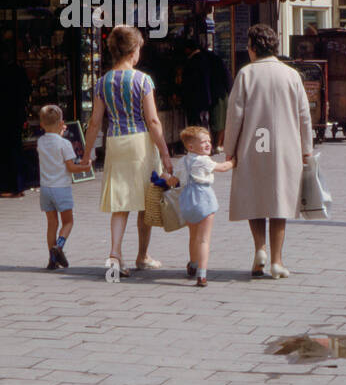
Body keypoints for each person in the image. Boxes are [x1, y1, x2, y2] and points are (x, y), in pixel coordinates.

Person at [79, 25, 174, 277]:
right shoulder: (143, 80)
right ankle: (142, 255)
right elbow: (153, 121)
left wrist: (87, 153)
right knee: (145, 199)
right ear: (133, 50)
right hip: (141, 142)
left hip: (116, 142)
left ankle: (115, 253)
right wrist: (164, 152)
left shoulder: (102, 82)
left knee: (120, 202)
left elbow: (95, 122)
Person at [223, 24, 314, 279]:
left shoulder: (246, 74)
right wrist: (307, 149)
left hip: (253, 144)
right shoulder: (291, 75)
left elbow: (235, 115)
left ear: (252, 48)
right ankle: (277, 261)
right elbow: (304, 115)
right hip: (285, 147)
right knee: (279, 202)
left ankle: (259, 249)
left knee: (255, 198)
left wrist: (229, 149)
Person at [165, 125, 234, 287]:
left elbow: (173, 181)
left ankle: (193, 263)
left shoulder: (182, 161)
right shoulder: (204, 160)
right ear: (191, 146)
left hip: (187, 201)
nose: (208, 144)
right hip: (204, 199)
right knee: (204, 239)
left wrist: (165, 176)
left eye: (209, 141)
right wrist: (233, 161)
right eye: (204, 142)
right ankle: (201, 274)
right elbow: (223, 168)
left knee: (193, 235)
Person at [36, 104, 89, 270]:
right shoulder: (65, 144)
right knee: (68, 222)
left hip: (45, 188)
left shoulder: (40, 142)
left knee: (51, 223)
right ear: (61, 123)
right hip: (61, 188)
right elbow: (71, 168)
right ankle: (58, 247)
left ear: (42, 124)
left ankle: (52, 260)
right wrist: (85, 168)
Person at [0, 41, 31, 197]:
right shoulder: (18, 71)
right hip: (15, 114)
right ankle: (18, 185)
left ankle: (7, 184)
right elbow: (27, 90)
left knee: (4, 149)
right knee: (15, 148)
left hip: (1, 115)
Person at [180, 39, 213, 130]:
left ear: (188, 49)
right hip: (205, 100)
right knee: (204, 124)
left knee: (196, 127)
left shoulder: (191, 62)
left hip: (194, 101)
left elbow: (188, 84)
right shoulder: (204, 59)